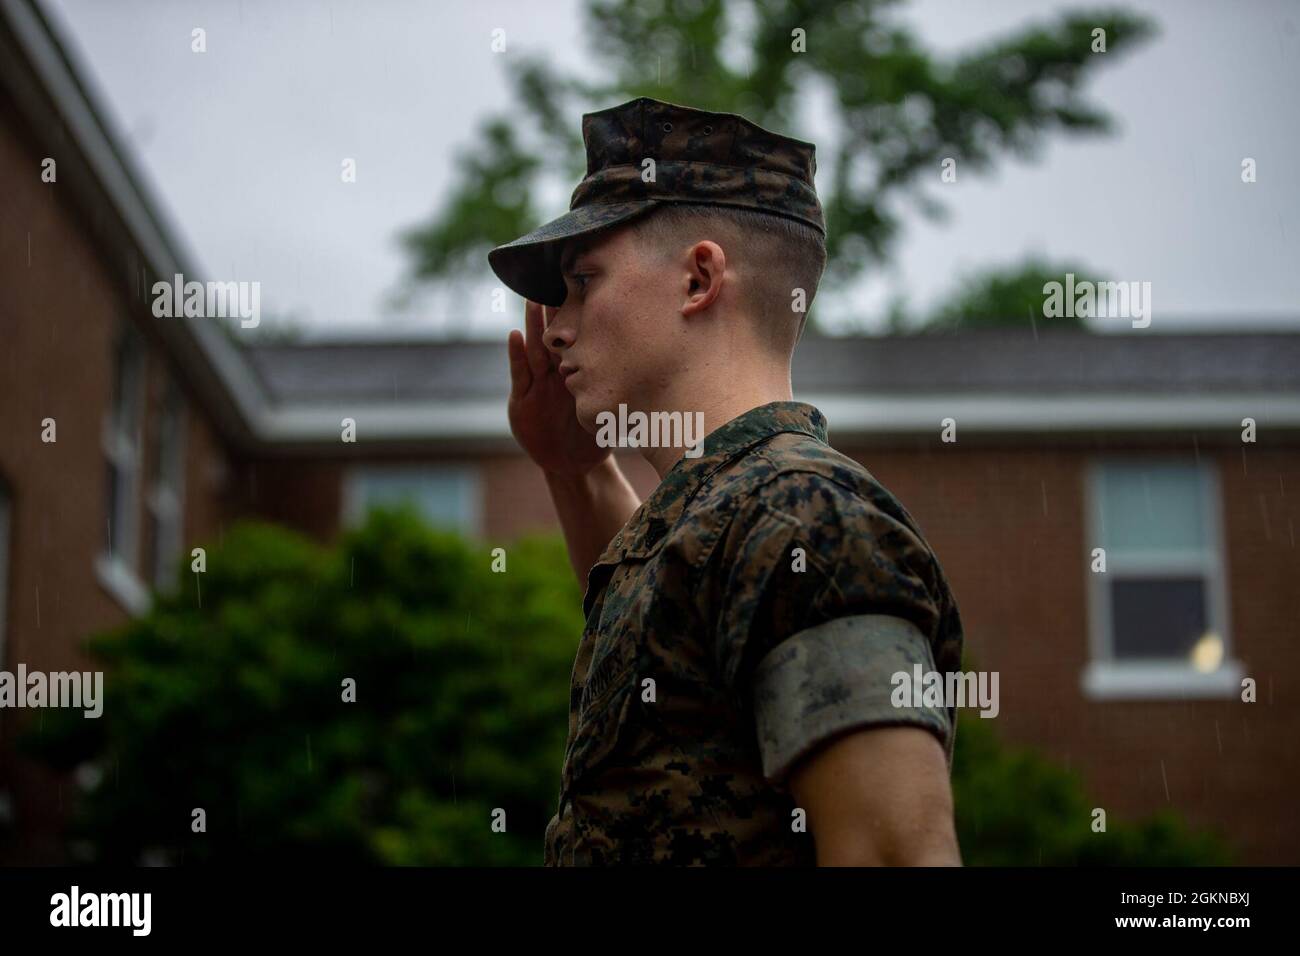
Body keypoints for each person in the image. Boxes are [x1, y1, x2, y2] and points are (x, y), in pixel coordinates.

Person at [489, 96, 965, 865]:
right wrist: (574, 472)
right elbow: (672, 619)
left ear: (699, 278)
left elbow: (894, 853)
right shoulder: (732, 514)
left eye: (583, 281)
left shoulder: (806, 517)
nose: (556, 326)